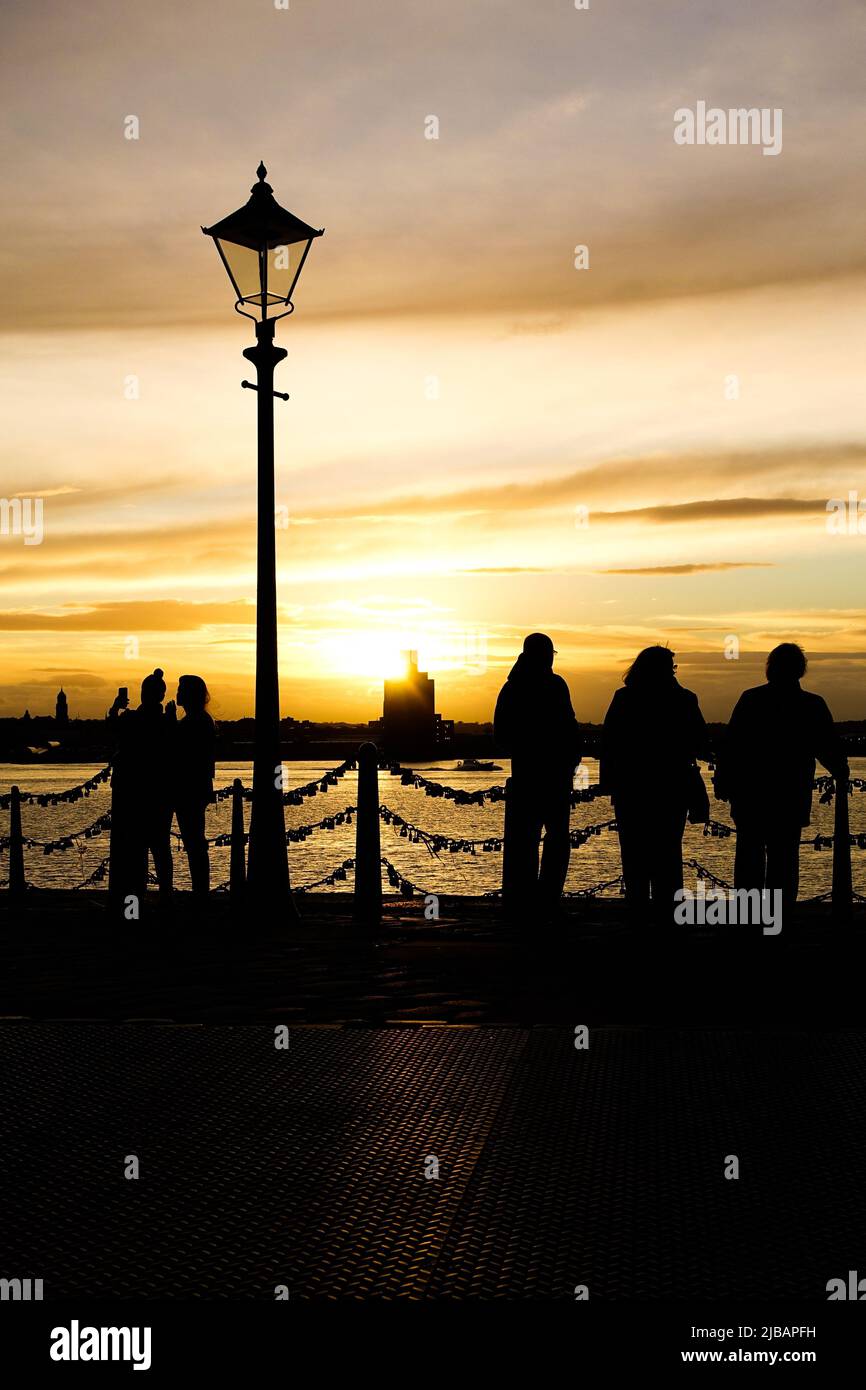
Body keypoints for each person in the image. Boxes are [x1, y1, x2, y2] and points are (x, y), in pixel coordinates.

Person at [714, 643, 848, 912]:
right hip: (790, 792)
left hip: (751, 793)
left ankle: (748, 916)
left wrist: (724, 781)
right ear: (800, 669)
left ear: (770, 668)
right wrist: (840, 772)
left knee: (749, 857)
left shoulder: (751, 699)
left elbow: (731, 745)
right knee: (784, 859)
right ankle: (779, 915)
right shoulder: (812, 704)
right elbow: (828, 747)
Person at [600, 645, 709, 925]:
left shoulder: (624, 699)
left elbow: (610, 743)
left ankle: (637, 910)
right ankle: (667, 912)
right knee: (668, 851)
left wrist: (609, 784)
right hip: (672, 788)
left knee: (634, 852)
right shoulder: (685, 699)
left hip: (631, 788)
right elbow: (699, 741)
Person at [493, 633, 582, 922]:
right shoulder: (556, 686)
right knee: (556, 840)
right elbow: (569, 727)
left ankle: (526, 900)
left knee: (525, 842)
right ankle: (548, 900)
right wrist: (569, 758)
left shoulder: (511, 688)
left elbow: (501, 734)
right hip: (553, 777)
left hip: (526, 776)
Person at [110, 668, 174, 909]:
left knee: (136, 848)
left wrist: (116, 707)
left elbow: (114, 729)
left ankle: (136, 897)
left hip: (133, 793)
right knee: (160, 846)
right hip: (160, 792)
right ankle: (167, 895)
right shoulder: (166, 721)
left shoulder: (131, 719)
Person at [168, 674, 216, 898]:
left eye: (180, 689)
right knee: (195, 841)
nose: (176, 693)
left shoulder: (193, 723)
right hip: (196, 788)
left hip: (189, 789)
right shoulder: (202, 720)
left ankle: (200, 893)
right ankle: (200, 892)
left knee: (194, 841)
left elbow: (178, 753)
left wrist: (170, 724)